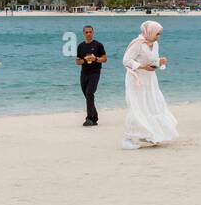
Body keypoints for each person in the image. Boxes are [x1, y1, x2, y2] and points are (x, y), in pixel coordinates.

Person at [121, 21, 178, 149]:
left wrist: (159, 62)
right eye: (157, 34)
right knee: (137, 106)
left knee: (152, 105)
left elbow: (152, 61)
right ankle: (128, 138)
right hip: (136, 79)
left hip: (150, 79)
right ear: (150, 32)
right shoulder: (137, 44)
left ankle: (149, 135)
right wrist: (142, 67)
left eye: (160, 34)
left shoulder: (155, 44)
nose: (158, 37)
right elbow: (126, 60)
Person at [75, 24, 107, 126]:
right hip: (84, 73)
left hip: (95, 73)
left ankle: (89, 118)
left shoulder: (98, 45)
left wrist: (96, 59)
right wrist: (81, 61)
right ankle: (95, 117)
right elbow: (78, 61)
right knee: (87, 95)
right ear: (84, 33)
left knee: (89, 93)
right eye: (86, 32)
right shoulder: (80, 46)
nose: (88, 34)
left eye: (90, 32)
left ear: (93, 33)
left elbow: (105, 59)